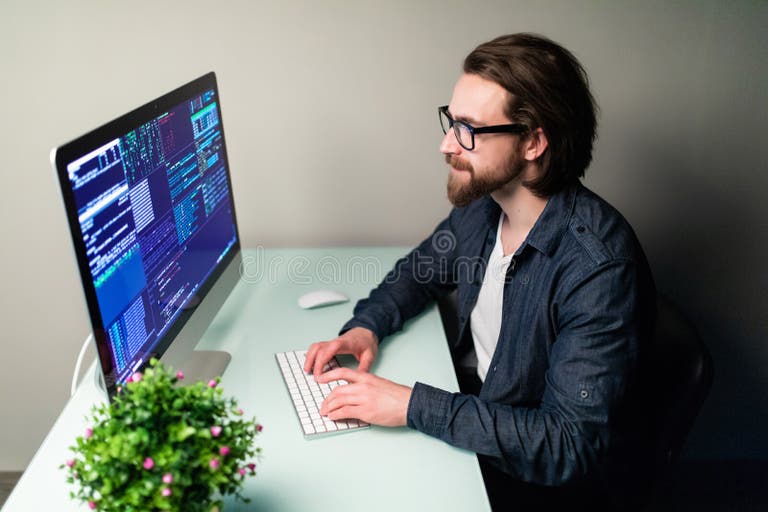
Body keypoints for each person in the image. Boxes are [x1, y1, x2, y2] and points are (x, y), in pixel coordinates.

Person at [304, 33, 656, 510]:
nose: (447, 144)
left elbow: (567, 446)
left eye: (468, 128)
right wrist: (366, 327)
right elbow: (422, 271)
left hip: (533, 480)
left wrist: (411, 405)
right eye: (451, 121)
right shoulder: (484, 206)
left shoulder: (598, 268)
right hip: (480, 408)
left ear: (533, 142)